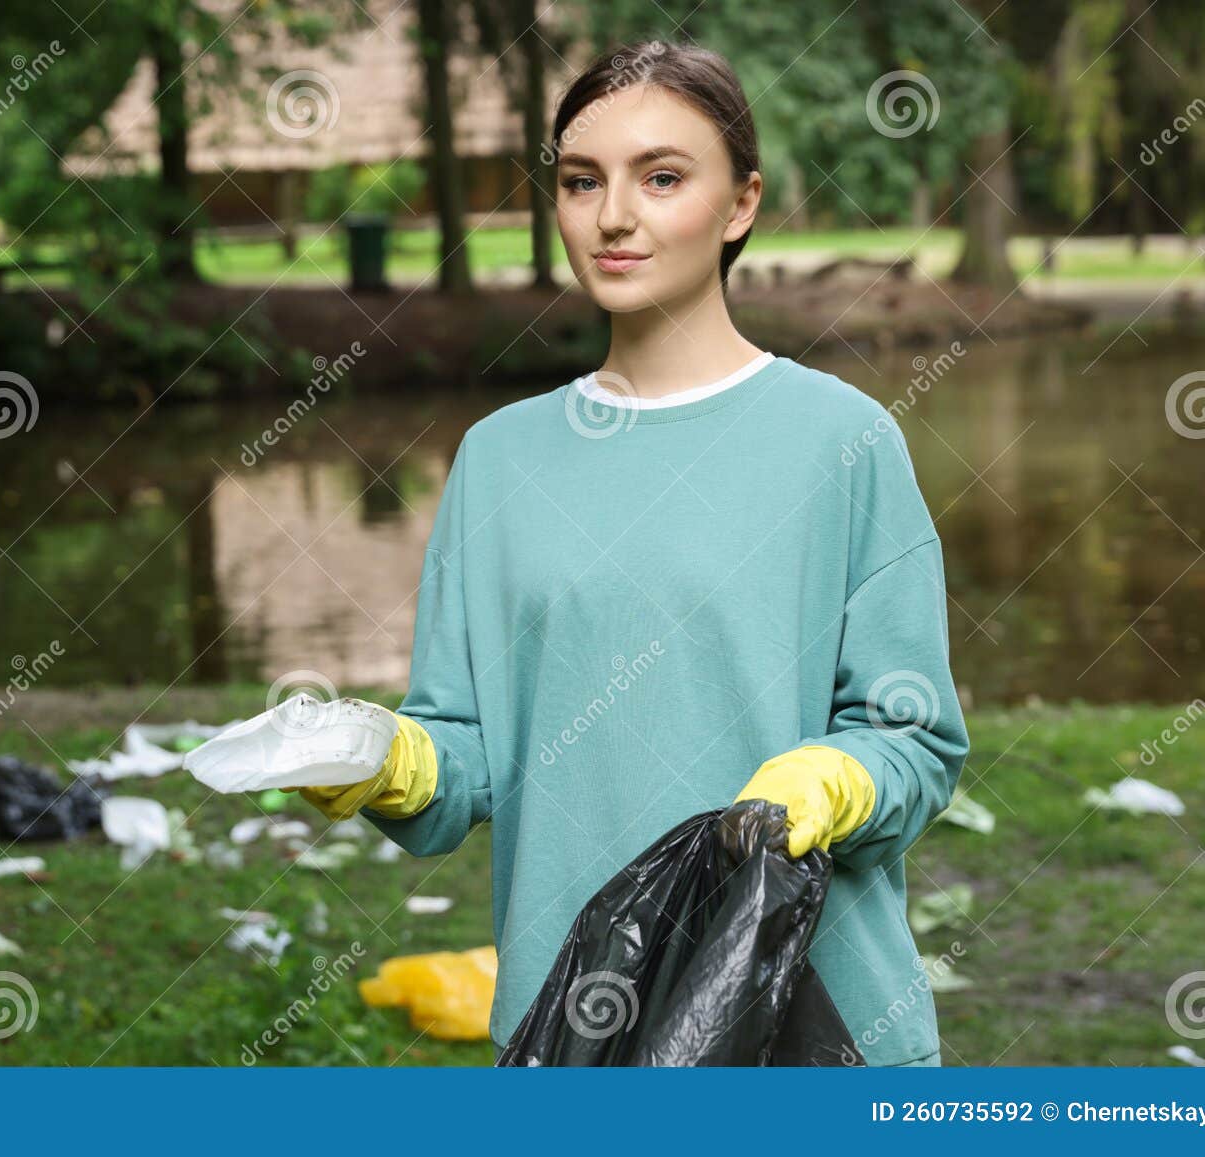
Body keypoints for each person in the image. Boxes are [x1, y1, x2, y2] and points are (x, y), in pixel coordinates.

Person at [291, 39, 969, 1067]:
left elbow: (915, 740)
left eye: (661, 178)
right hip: (573, 1026)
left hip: (811, 1022)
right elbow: (468, 756)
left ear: (739, 203)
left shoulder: (843, 440)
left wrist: (838, 777)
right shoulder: (497, 460)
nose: (613, 216)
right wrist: (395, 761)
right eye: (581, 181)